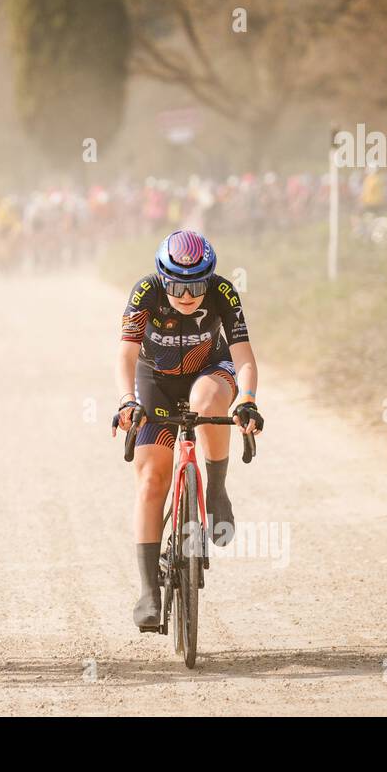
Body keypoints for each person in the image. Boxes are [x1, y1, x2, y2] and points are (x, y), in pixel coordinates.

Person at [112, 230, 264, 631]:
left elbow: (244, 357)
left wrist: (247, 399)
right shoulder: (145, 292)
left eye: (197, 284)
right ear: (163, 278)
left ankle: (215, 489)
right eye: (177, 285)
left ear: (209, 277)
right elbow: (125, 355)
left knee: (207, 401)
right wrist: (127, 400)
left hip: (209, 372)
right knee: (150, 480)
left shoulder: (224, 293)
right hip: (155, 379)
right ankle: (148, 590)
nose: (187, 294)